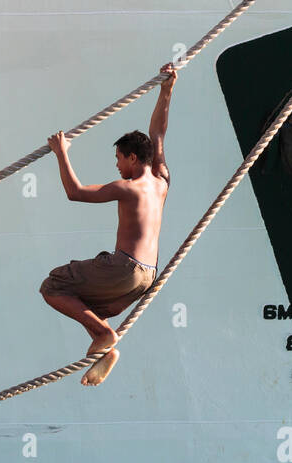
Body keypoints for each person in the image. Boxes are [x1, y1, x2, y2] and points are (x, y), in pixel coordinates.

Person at [39, 63, 176, 387]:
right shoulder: (161, 180)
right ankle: (105, 348)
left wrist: (61, 152)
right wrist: (167, 90)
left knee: (53, 286)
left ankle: (102, 336)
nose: (116, 164)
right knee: (84, 303)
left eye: (118, 157)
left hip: (125, 267)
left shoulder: (125, 188)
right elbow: (158, 133)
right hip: (147, 275)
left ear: (132, 158)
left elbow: (74, 193)